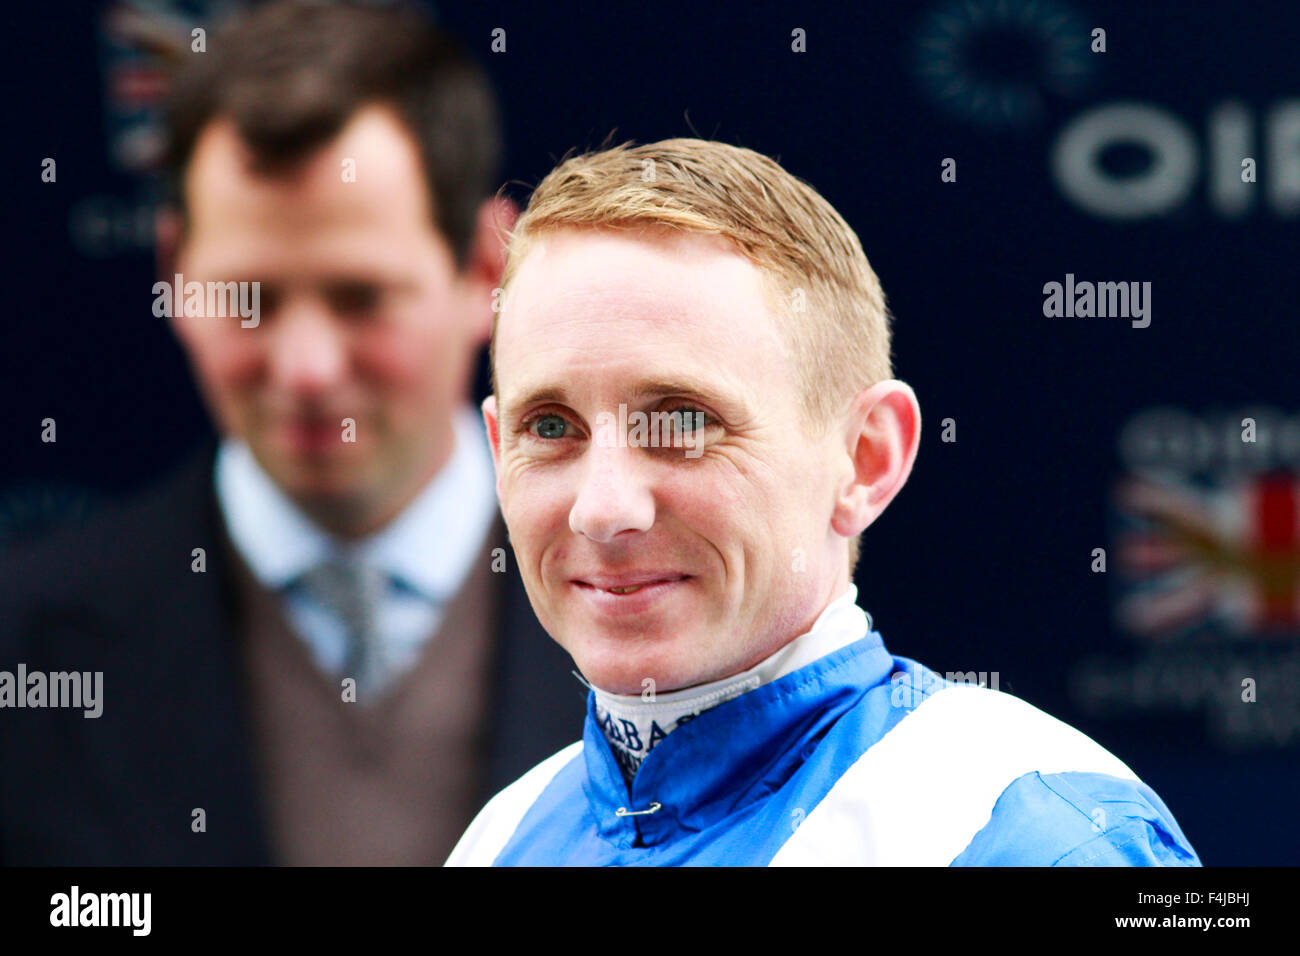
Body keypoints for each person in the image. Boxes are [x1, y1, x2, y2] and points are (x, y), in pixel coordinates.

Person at [445, 138, 1202, 866]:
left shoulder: (1034, 838)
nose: (603, 509)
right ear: (496, 447)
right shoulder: (501, 837)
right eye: (549, 427)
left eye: (681, 423)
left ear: (866, 458)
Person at [0, 0, 581, 865]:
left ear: (486, 274)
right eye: (250, 300)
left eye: (360, 298)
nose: (306, 368)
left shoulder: (680, 619)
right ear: (176, 277)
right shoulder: (24, 650)